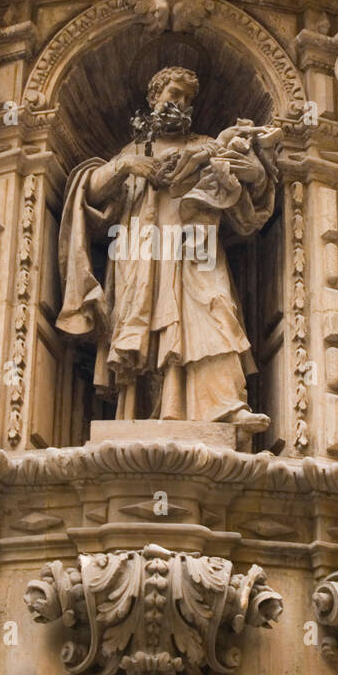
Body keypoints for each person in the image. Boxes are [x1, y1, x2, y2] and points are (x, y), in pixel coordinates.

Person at [57, 65, 279, 430]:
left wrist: (235, 171)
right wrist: (126, 166)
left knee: (217, 309)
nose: (181, 103)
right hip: (141, 252)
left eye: (188, 98)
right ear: (154, 97)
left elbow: (250, 200)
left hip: (196, 249)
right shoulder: (133, 149)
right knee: (144, 330)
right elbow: (90, 192)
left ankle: (225, 406)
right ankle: (145, 417)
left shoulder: (206, 144)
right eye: (174, 94)